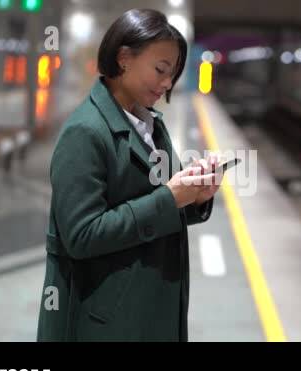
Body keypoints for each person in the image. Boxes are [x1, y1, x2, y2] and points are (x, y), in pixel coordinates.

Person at [36, 9, 223, 341]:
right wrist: (170, 198)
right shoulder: (85, 132)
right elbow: (82, 236)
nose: (167, 83)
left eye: (173, 74)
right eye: (160, 70)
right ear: (124, 58)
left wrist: (195, 197)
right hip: (107, 322)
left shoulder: (151, 125)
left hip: (149, 311)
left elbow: (162, 199)